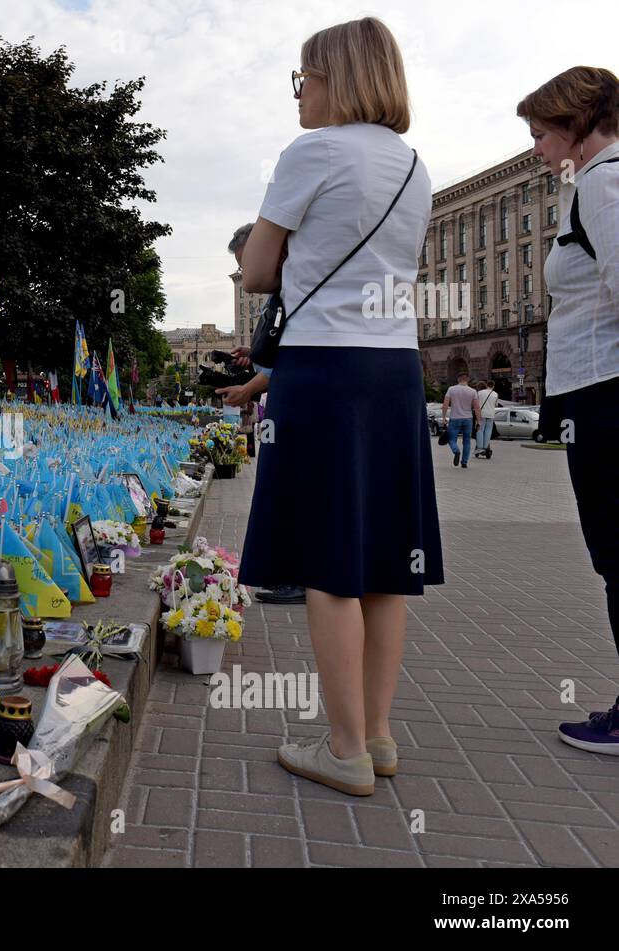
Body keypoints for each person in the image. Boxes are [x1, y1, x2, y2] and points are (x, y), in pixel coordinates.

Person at [236, 17, 442, 796]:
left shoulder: (312, 152)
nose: (300, 92)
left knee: (329, 565)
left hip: (322, 366)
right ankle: (378, 736)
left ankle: (343, 746)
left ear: (338, 79)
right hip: (395, 368)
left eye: (305, 77)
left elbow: (257, 271)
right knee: (388, 563)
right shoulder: (414, 164)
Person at [519, 67, 619, 755]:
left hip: (607, 393)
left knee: (617, 555)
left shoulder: (604, 185)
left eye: (540, 134)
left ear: (575, 124)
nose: (536, 150)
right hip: (601, 390)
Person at [219, 223, 305, 606]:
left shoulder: (297, 289)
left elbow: (291, 357)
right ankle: (290, 573)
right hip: (285, 408)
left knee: (296, 491)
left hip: (298, 407)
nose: (248, 276)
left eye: (247, 263)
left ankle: (302, 578)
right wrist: (251, 354)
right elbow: (274, 348)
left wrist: (247, 390)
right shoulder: (283, 291)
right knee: (285, 490)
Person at [442, 372, 481, 468]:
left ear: (458, 379)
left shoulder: (451, 389)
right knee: (467, 441)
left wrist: (443, 418)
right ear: (467, 379)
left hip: (455, 418)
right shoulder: (473, 391)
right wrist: (478, 421)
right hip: (468, 419)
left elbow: (445, 405)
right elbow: (477, 408)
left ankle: (456, 451)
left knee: (451, 439)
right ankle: (464, 462)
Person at [473, 379, 498, 459]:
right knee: (488, 431)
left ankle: (480, 447)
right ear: (493, 386)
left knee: (480, 430)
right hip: (491, 414)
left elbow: (476, 404)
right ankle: (485, 446)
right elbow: (496, 405)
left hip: (481, 414)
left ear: (487, 385)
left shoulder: (480, 393)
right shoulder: (495, 394)